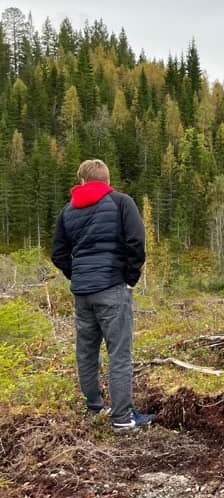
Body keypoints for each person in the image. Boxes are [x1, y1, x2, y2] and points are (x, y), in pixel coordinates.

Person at [51, 159, 155, 432]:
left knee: (86, 352)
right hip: (112, 288)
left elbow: (58, 254)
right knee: (119, 354)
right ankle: (122, 418)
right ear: (107, 180)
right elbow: (136, 242)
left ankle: (95, 408)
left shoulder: (68, 210)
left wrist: (78, 275)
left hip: (83, 293)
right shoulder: (121, 202)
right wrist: (130, 278)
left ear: (82, 180)